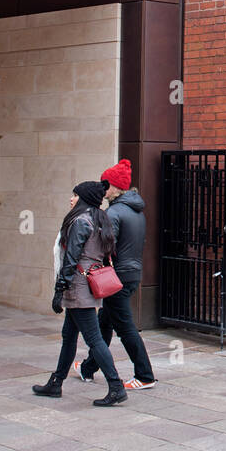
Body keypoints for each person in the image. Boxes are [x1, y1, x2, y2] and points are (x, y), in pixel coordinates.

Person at [32, 181, 128, 407]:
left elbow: (71, 258)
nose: (71, 199)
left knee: (93, 338)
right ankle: (56, 382)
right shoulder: (99, 219)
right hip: (86, 282)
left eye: (74, 195)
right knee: (68, 335)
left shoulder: (80, 221)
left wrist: (59, 289)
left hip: (78, 286)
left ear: (83, 198)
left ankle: (115, 386)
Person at [78, 159, 156, 390]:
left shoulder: (113, 213)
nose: (103, 189)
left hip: (116, 276)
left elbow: (106, 245)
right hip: (131, 273)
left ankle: (144, 375)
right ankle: (88, 367)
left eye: (105, 184)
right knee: (105, 323)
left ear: (115, 187)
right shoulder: (137, 211)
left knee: (124, 327)